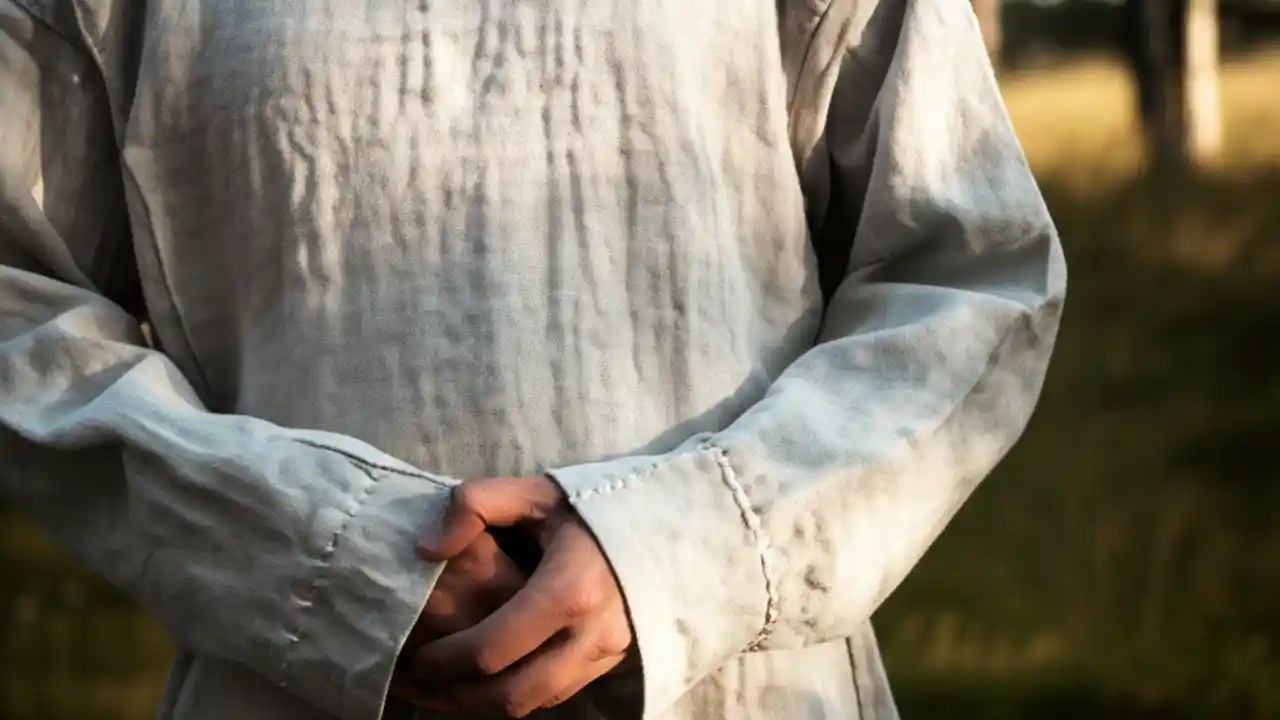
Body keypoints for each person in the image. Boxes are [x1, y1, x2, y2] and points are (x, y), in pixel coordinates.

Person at [0, 0, 1066, 717]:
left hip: (742, 685)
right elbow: (19, 307)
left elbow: (963, 272)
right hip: (300, 686)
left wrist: (671, 549)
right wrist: (339, 554)